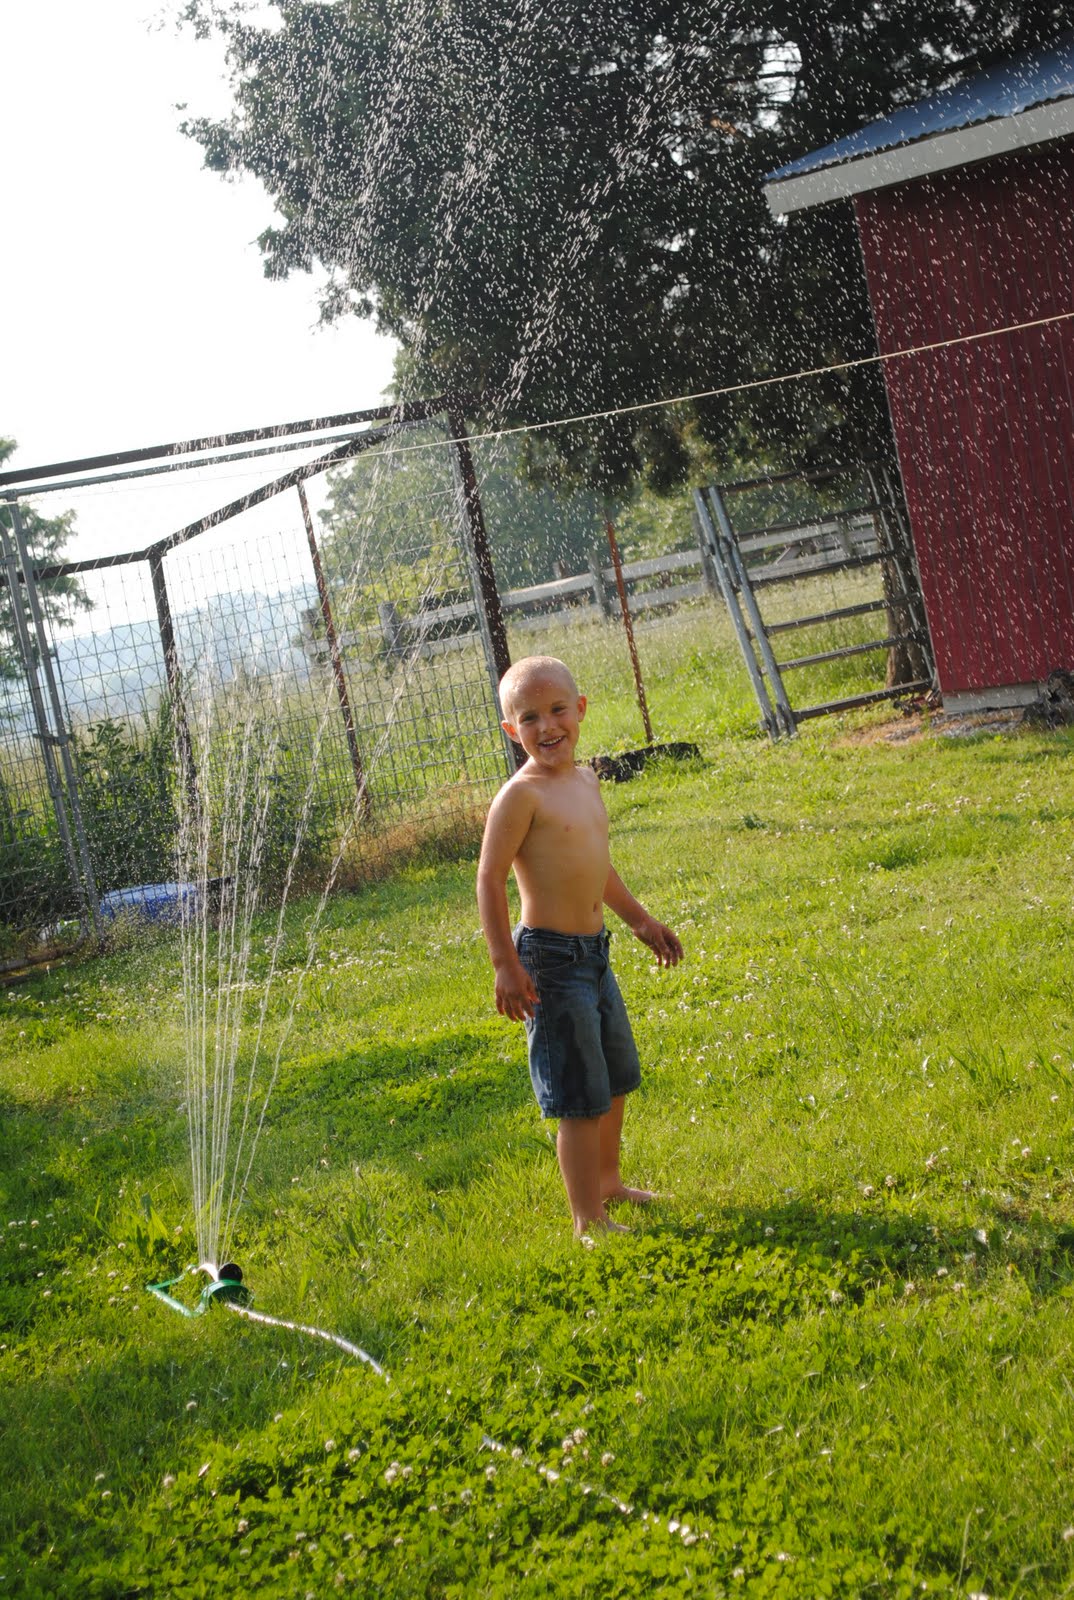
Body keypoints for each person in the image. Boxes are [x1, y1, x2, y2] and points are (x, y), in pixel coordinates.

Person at [476, 655, 683, 1236]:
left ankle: (608, 1183)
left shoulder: (587, 780)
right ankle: (587, 1218)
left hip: (594, 954)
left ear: (581, 709)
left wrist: (640, 921)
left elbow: (598, 867)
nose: (547, 726)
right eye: (529, 718)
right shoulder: (521, 796)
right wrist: (505, 962)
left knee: (613, 1078)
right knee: (577, 1094)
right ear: (511, 730)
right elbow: (489, 878)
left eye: (557, 710)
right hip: (549, 962)